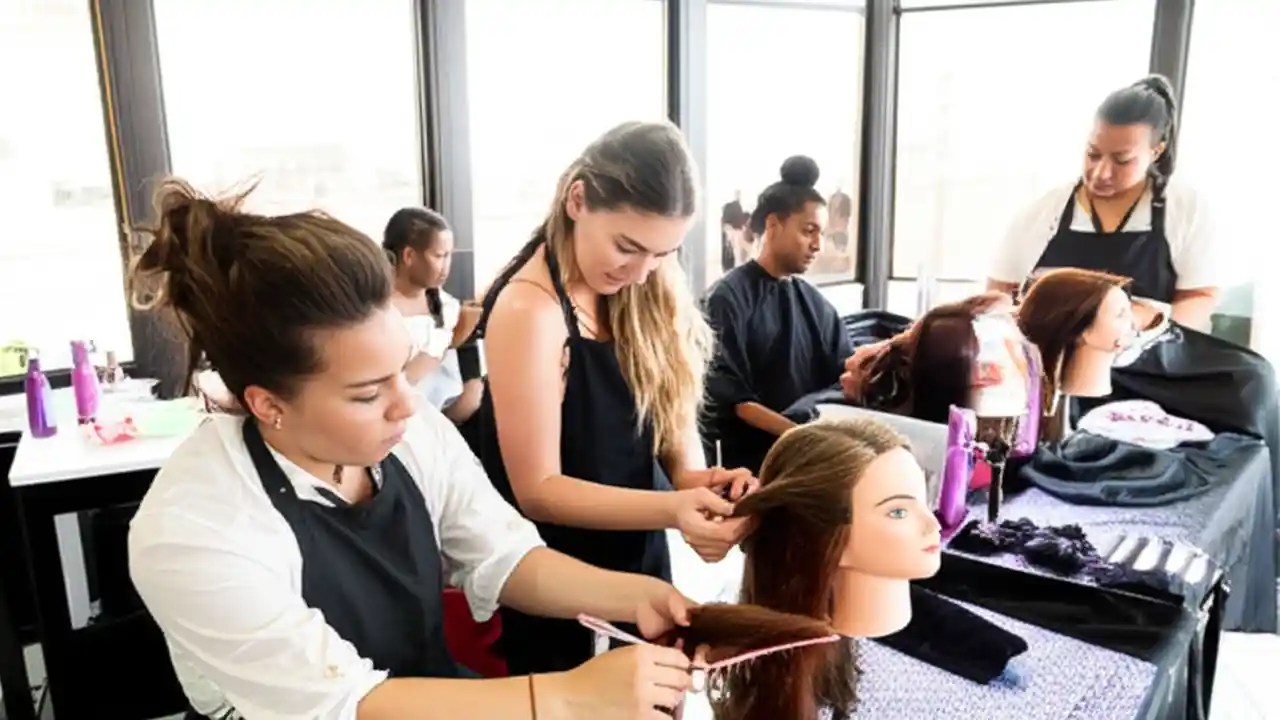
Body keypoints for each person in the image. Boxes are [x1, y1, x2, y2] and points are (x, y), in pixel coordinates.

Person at [127, 178, 706, 720]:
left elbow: (501, 556)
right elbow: (345, 703)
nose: (407, 404)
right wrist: (559, 697)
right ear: (267, 403)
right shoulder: (194, 528)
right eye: (367, 392)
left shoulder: (412, 430)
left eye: (401, 370)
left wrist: (638, 597)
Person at [472, 121, 755, 676]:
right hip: (555, 583)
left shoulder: (646, 287)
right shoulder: (530, 312)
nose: (641, 272)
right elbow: (539, 492)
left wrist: (699, 485)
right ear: (577, 199)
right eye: (627, 247)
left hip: (643, 565)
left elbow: (670, 429)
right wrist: (674, 510)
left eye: (662, 253)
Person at [987, 74, 1221, 330]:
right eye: (1093, 154)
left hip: (1150, 359)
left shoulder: (1186, 208)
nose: (1101, 173)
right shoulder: (1043, 212)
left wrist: (1142, 324)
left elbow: (1200, 297)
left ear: (1156, 151)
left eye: (1122, 160)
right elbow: (1000, 293)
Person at [704, 156, 854, 474]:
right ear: (773, 225)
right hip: (754, 469)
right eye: (809, 231)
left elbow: (845, 374)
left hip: (810, 458)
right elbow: (734, 400)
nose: (817, 245)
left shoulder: (815, 304)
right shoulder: (727, 299)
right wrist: (799, 437)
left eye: (821, 234)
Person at [383, 207, 482, 425]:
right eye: (439, 256)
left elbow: (468, 386)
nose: (446, 266)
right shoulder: (377, 312)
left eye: (449, 256)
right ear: (408, 256)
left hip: (444, 424)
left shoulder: (448, 308)